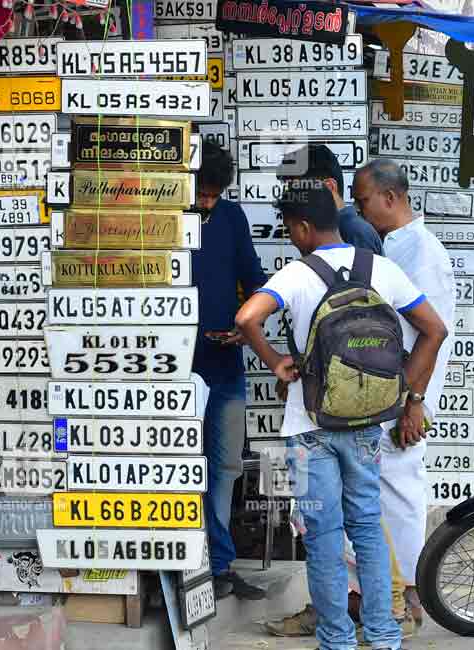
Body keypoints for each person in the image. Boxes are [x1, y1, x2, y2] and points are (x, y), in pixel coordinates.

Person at [235, 182, 447, 650]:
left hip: (307, 427)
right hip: (367, 422)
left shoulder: (295, 274)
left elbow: (247, 317)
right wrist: (404, 392)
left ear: (302, 227)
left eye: (290, 229)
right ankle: (385, 636)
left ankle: (336, 640)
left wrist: (275, 361)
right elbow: (435, 330)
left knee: (323, 537)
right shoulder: (381, 269)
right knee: (368, 529)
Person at [352, 159, 457, 636]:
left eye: (364, 201)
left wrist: (414, 401)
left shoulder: (422, 252)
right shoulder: (393, 246)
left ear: (389, 198)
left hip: (406, 396)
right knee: (382, 494)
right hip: (388, 392)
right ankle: (384, 598)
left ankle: (410, 597)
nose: (360, 211)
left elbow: (431, 334)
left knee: (398, 493)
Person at [191, 139, 269, 600]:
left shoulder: (232, 217)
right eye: (201, 193)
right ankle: (186, 564)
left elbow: (255, 280)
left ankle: (218, 566)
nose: (207, 203)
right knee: (179, 466)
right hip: (174, 369)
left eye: (213, 195)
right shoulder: (162, 219)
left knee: (224, 467)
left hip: (224, 364)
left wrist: (248, 324)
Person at [280, 144, 384, 253]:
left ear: (329, 187)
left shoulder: (354, 232)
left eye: (302, 192)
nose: (294, 202)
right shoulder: (334, 230)